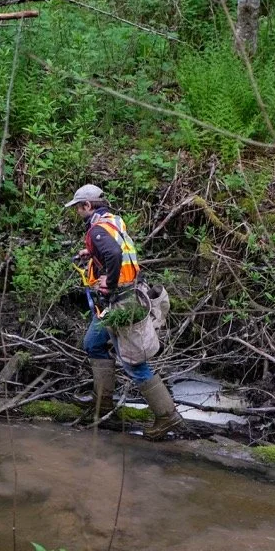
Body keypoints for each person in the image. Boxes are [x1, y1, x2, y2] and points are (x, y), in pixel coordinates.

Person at [66, 183, 183, 440]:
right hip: (123, 298)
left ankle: (167, 415)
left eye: (78, 208)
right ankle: (102, 405)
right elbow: (117, 249)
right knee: (93, 344)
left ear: (88, 205)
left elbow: (115, 253)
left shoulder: (97, 230)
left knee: (133, 363)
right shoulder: (113, 221)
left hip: (121, 302)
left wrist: (109, 282)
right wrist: (91, 253)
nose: (77, 212)